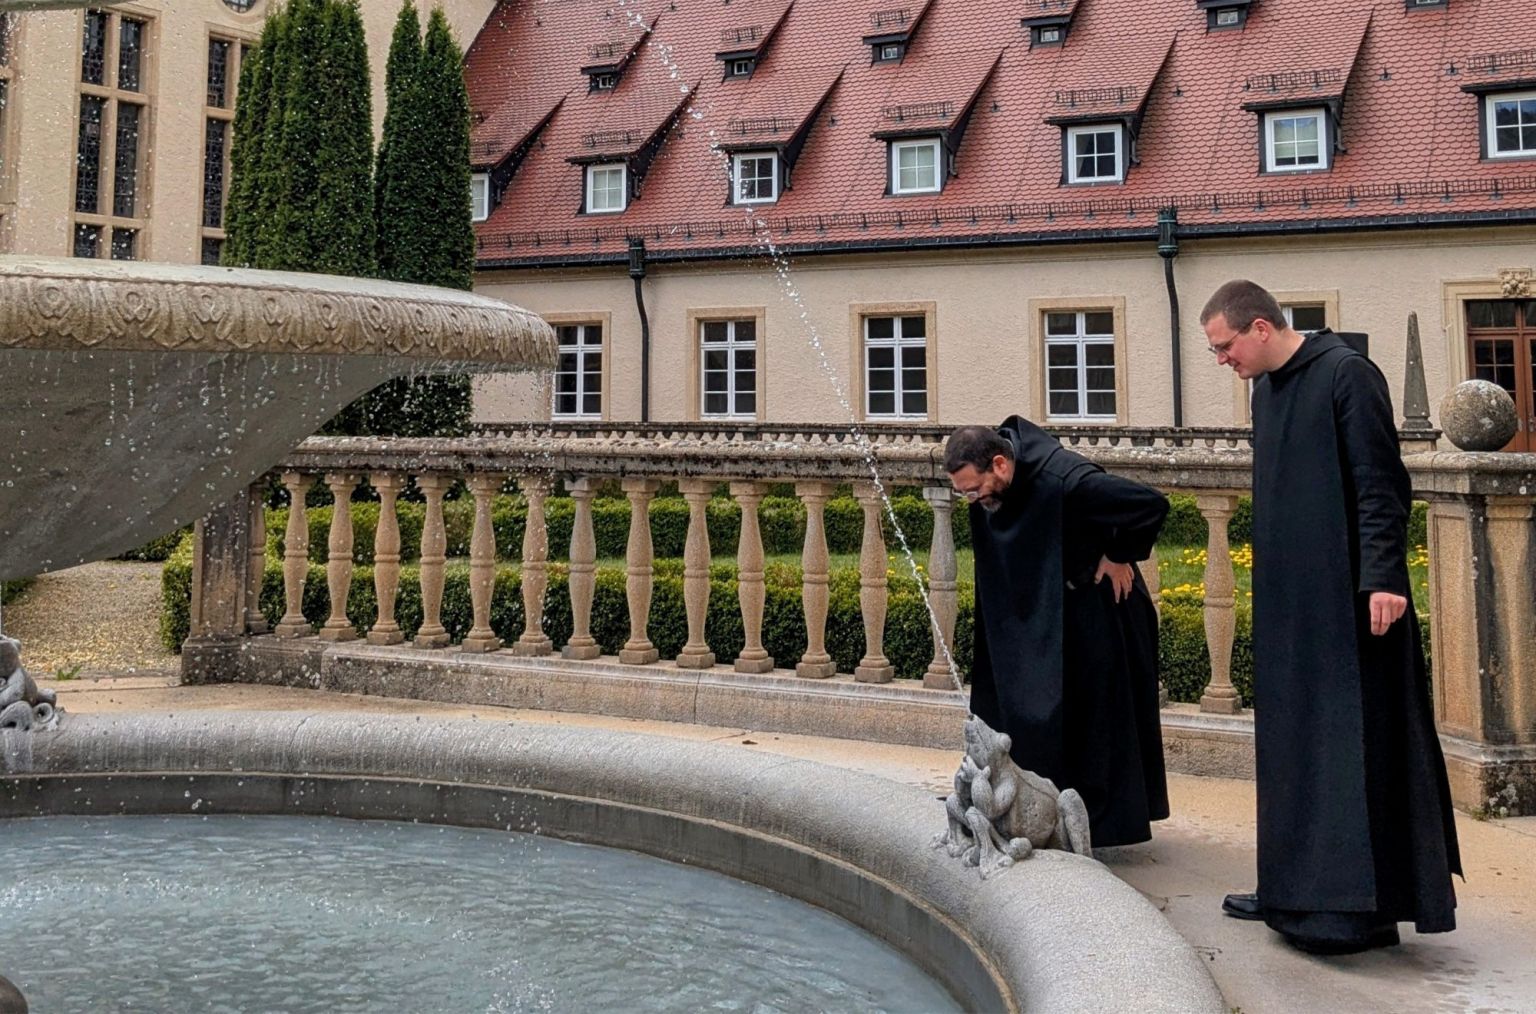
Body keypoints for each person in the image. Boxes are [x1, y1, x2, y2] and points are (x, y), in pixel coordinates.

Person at [1201, 279, 1461, 955]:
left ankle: (1351, 910)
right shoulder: (1267, 391)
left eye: (1225, 346)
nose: (1222, 361)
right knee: (1291, 747)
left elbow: (1381, 484)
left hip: (1353, 603)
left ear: (1260, 328)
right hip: (1293, 604)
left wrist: (1383, 577)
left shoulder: (1349, 376)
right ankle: (1289, 886)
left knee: (1351, 747)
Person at [944, 418, 1170, 848]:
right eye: (964, 493)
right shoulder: (997, 481)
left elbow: (1150, 504)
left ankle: (1096, 827)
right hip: (1041, 612)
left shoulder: (1066, 478)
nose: (971, 499)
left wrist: (1118, 552)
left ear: (1000, 464)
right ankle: (1028, 815)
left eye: (974, 489)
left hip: (1098, 610)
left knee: (1092, 722)